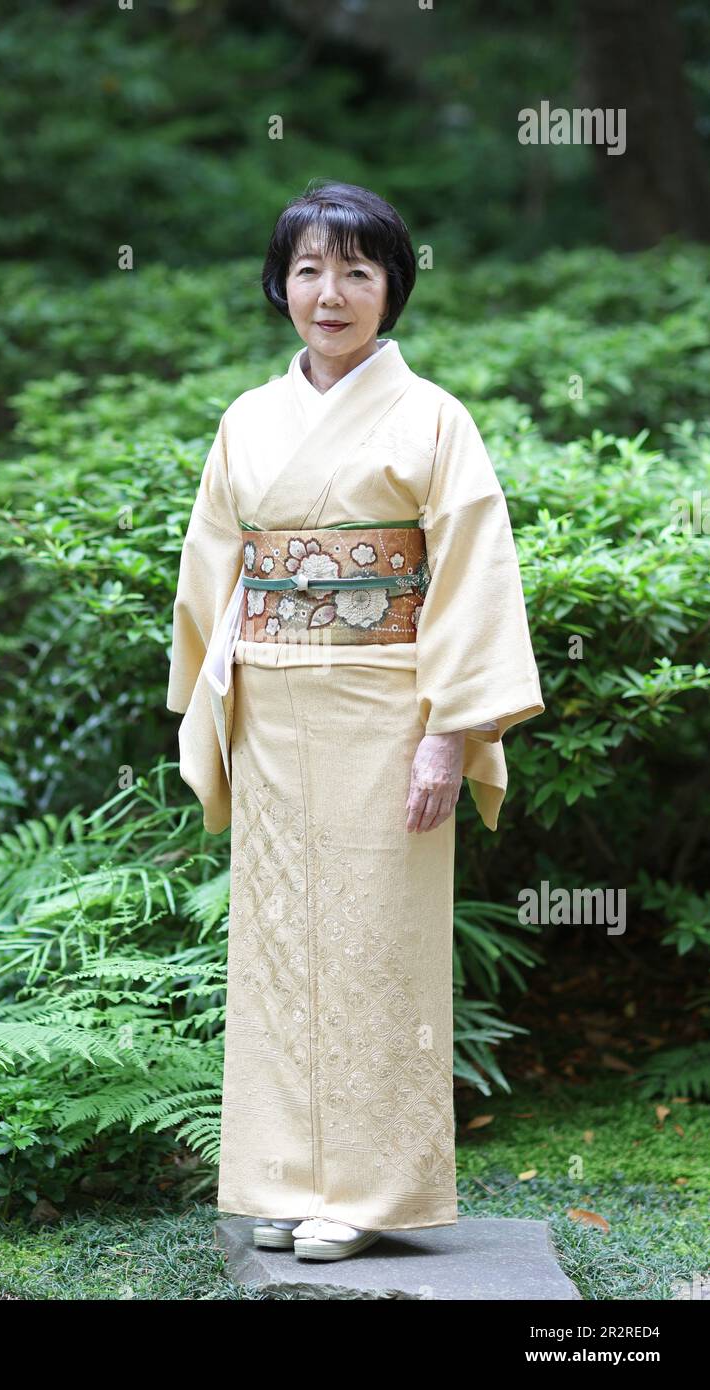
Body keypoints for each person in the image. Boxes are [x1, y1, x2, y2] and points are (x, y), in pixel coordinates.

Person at [166, 180, 544, 1262]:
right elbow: (212, 573)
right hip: (272, 711)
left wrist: (449, 729)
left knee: (379, 946)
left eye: (356, 271)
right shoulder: (247, 418)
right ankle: (286, 1175)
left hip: (390, 708)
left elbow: (473, 576)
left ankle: (374, 1190)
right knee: (280, 943)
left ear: (392, 289)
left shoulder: (433, 419)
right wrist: (210, 703)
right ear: (279, 284)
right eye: (307, 270)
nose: (328, 293)